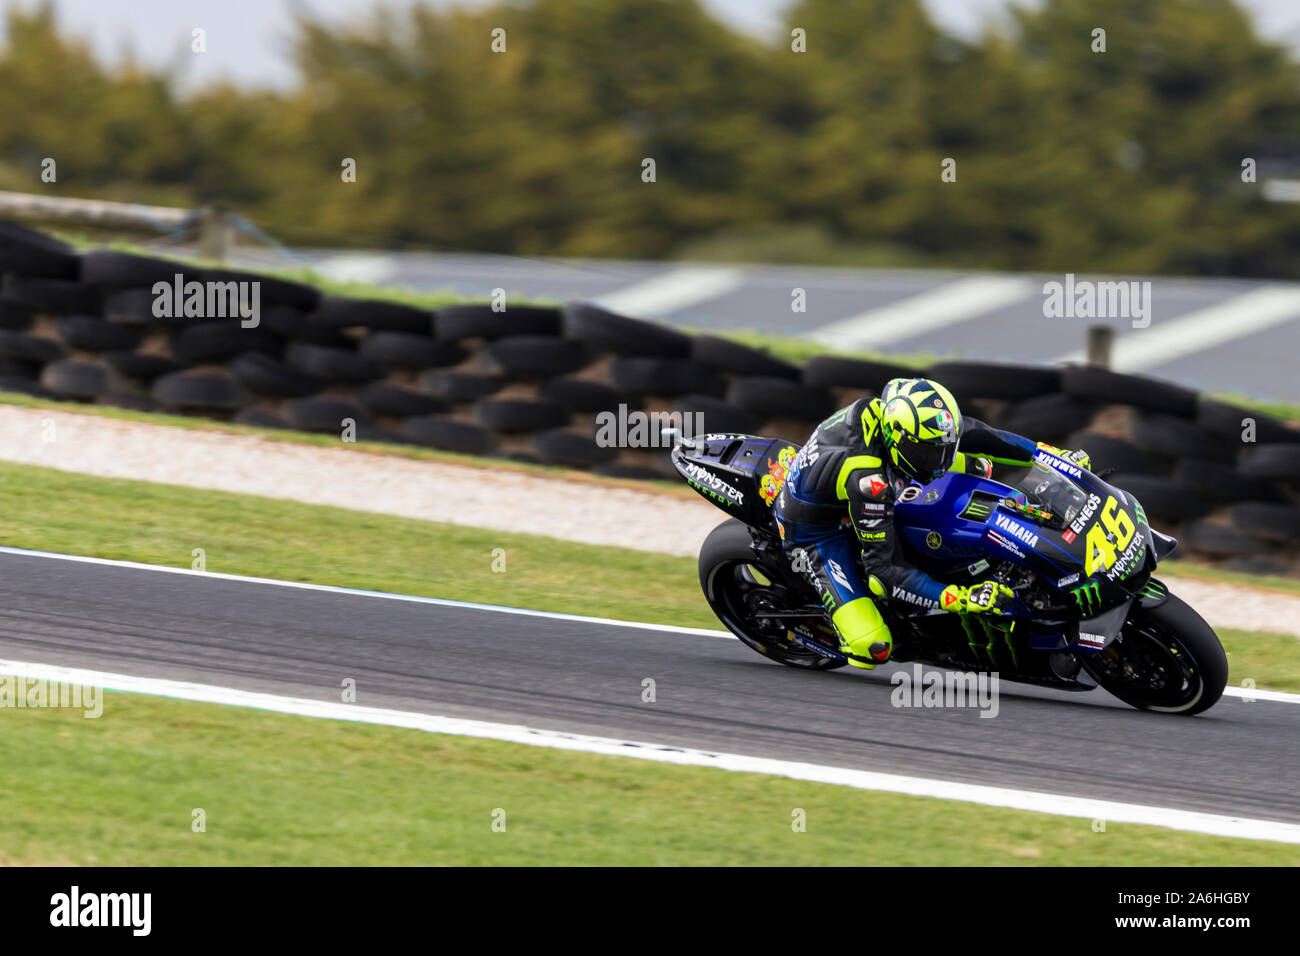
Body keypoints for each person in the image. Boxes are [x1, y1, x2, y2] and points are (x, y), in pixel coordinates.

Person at [772, 377, 1090, 669]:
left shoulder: (905, 423)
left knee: (981, 467)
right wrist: (963, 598)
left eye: (943, 449)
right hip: (816, 530)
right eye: (928, 454)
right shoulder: (868, 481)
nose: (940, 461)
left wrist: (1048, 455)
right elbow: (885, 574)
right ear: (900, 441)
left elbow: (981, 434)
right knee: (871, 648)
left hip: (866, 482)